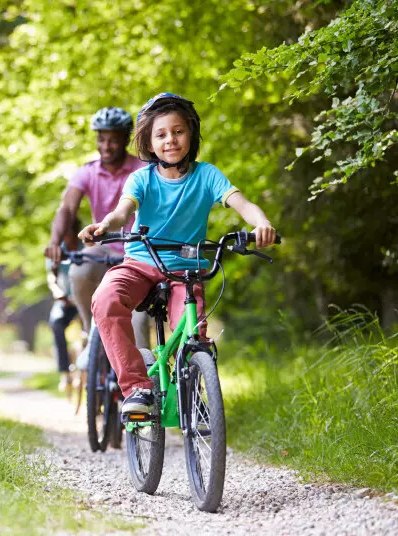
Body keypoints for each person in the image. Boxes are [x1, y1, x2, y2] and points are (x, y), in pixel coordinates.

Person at [81, 93, 276, 415]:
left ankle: (195, 390)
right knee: (105, 300)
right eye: (161, 134)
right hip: (141, 264)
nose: (170, 140)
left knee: (193, 335)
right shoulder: (141, 178)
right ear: (149, 142)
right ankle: (137, 389)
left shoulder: (207, 175)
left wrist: (262, 224)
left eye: (178, 131)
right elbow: (121, 212)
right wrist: (104, 225)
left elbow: (244, 205)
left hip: (186, 271)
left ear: (191, 134)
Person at [45, 107, 150, 350]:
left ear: (126, 139)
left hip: (138, 249)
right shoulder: (87, 172)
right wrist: (54, 241)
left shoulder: (142, 169)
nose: (106, 146)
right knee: (79, 269)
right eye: (101, 139)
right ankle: (90, 332)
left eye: (113, 140)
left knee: (139, 319)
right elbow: (67, 209)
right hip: (102, 246)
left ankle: (146, 384)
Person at [46, 215, 81, 391]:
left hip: (84, 298)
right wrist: (59, 294)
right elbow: (51, 277)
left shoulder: (86, 246)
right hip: (65, 300)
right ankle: (64, 372)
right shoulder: (57, 250)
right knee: (56, 324)